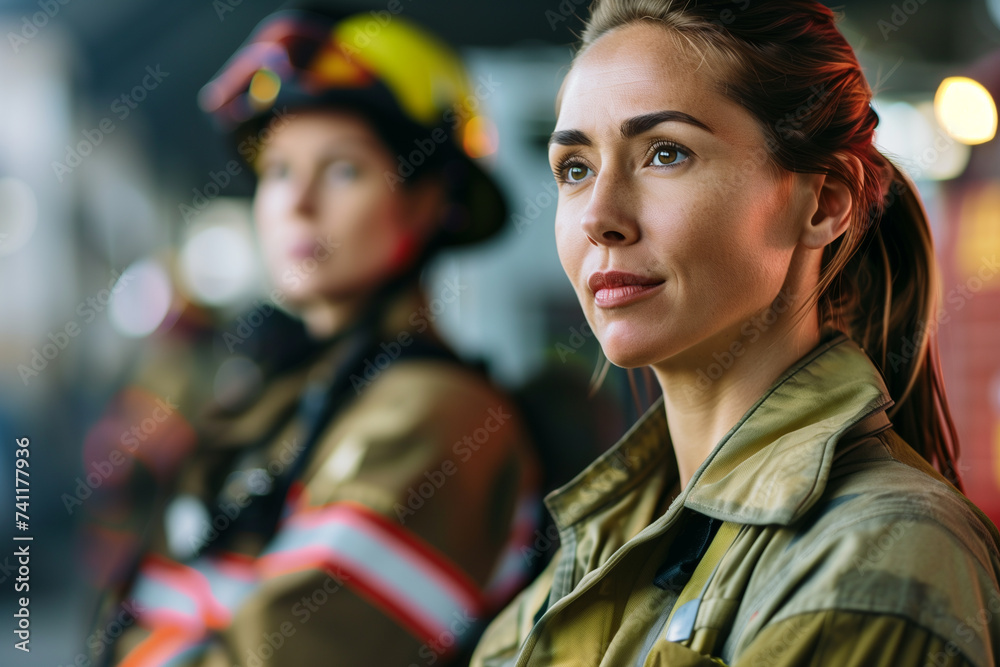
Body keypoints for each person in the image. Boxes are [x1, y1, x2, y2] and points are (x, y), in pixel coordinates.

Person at [471, 1, 1000, 666]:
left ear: (824, 200)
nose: (599, 216)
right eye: (575, 167)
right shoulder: (582, 568)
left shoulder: (876, 553)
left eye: (665, 153)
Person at [91, 9, 539, 667]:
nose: (296, 202)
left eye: (342, 170)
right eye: (277, 171)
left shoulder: (434, 414)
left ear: (430, 197)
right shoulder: (287, 392)